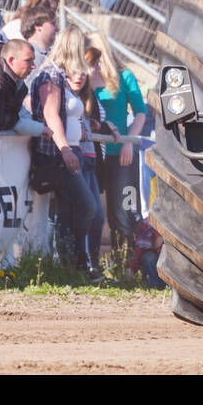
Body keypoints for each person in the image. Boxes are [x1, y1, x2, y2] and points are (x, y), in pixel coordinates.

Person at [29, 28, 107, 276]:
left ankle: (69, 265)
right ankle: (76, 260)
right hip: (57, 154)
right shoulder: (50, 76)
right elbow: (50, 115)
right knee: (87, 206)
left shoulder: (62, 77)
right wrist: (65, 150)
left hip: (72, 150)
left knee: (67, 211)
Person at [86, 35, 146, 252]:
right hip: (93, 151)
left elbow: (140, 112)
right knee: (90, 208)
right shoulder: (83, 77)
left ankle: (126, 263)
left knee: (122, 213)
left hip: (121, 154)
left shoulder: (124, 76)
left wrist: (129, 142)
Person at [0, 38, 36, 131]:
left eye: (33, 60)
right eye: (28, 60)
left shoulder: (21, 87)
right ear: (11, 60)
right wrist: (17, 120)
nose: (33, 66)